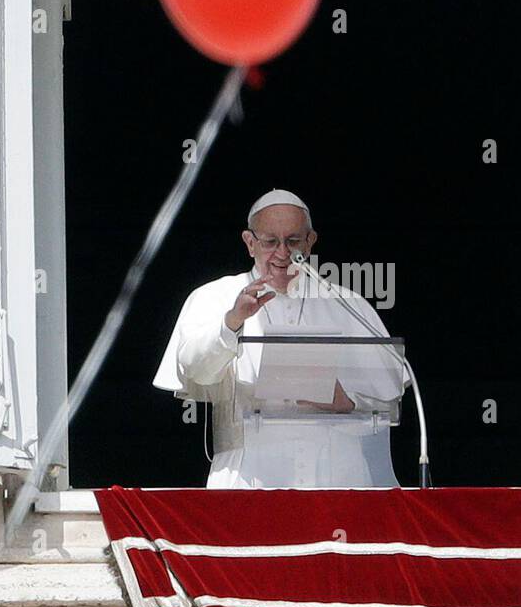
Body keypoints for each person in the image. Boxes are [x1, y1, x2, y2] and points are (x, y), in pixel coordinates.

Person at [154, 189, 407, 487]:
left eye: (293, 241)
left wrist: (347, 402)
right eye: (270, 242)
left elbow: (390, 400)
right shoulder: (213, 297)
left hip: (336, 477)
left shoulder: (349, 304)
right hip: (250, 477)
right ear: (250, 243)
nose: (283, 253)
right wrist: (233, 321)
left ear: (310, 241)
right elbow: (194, 370)